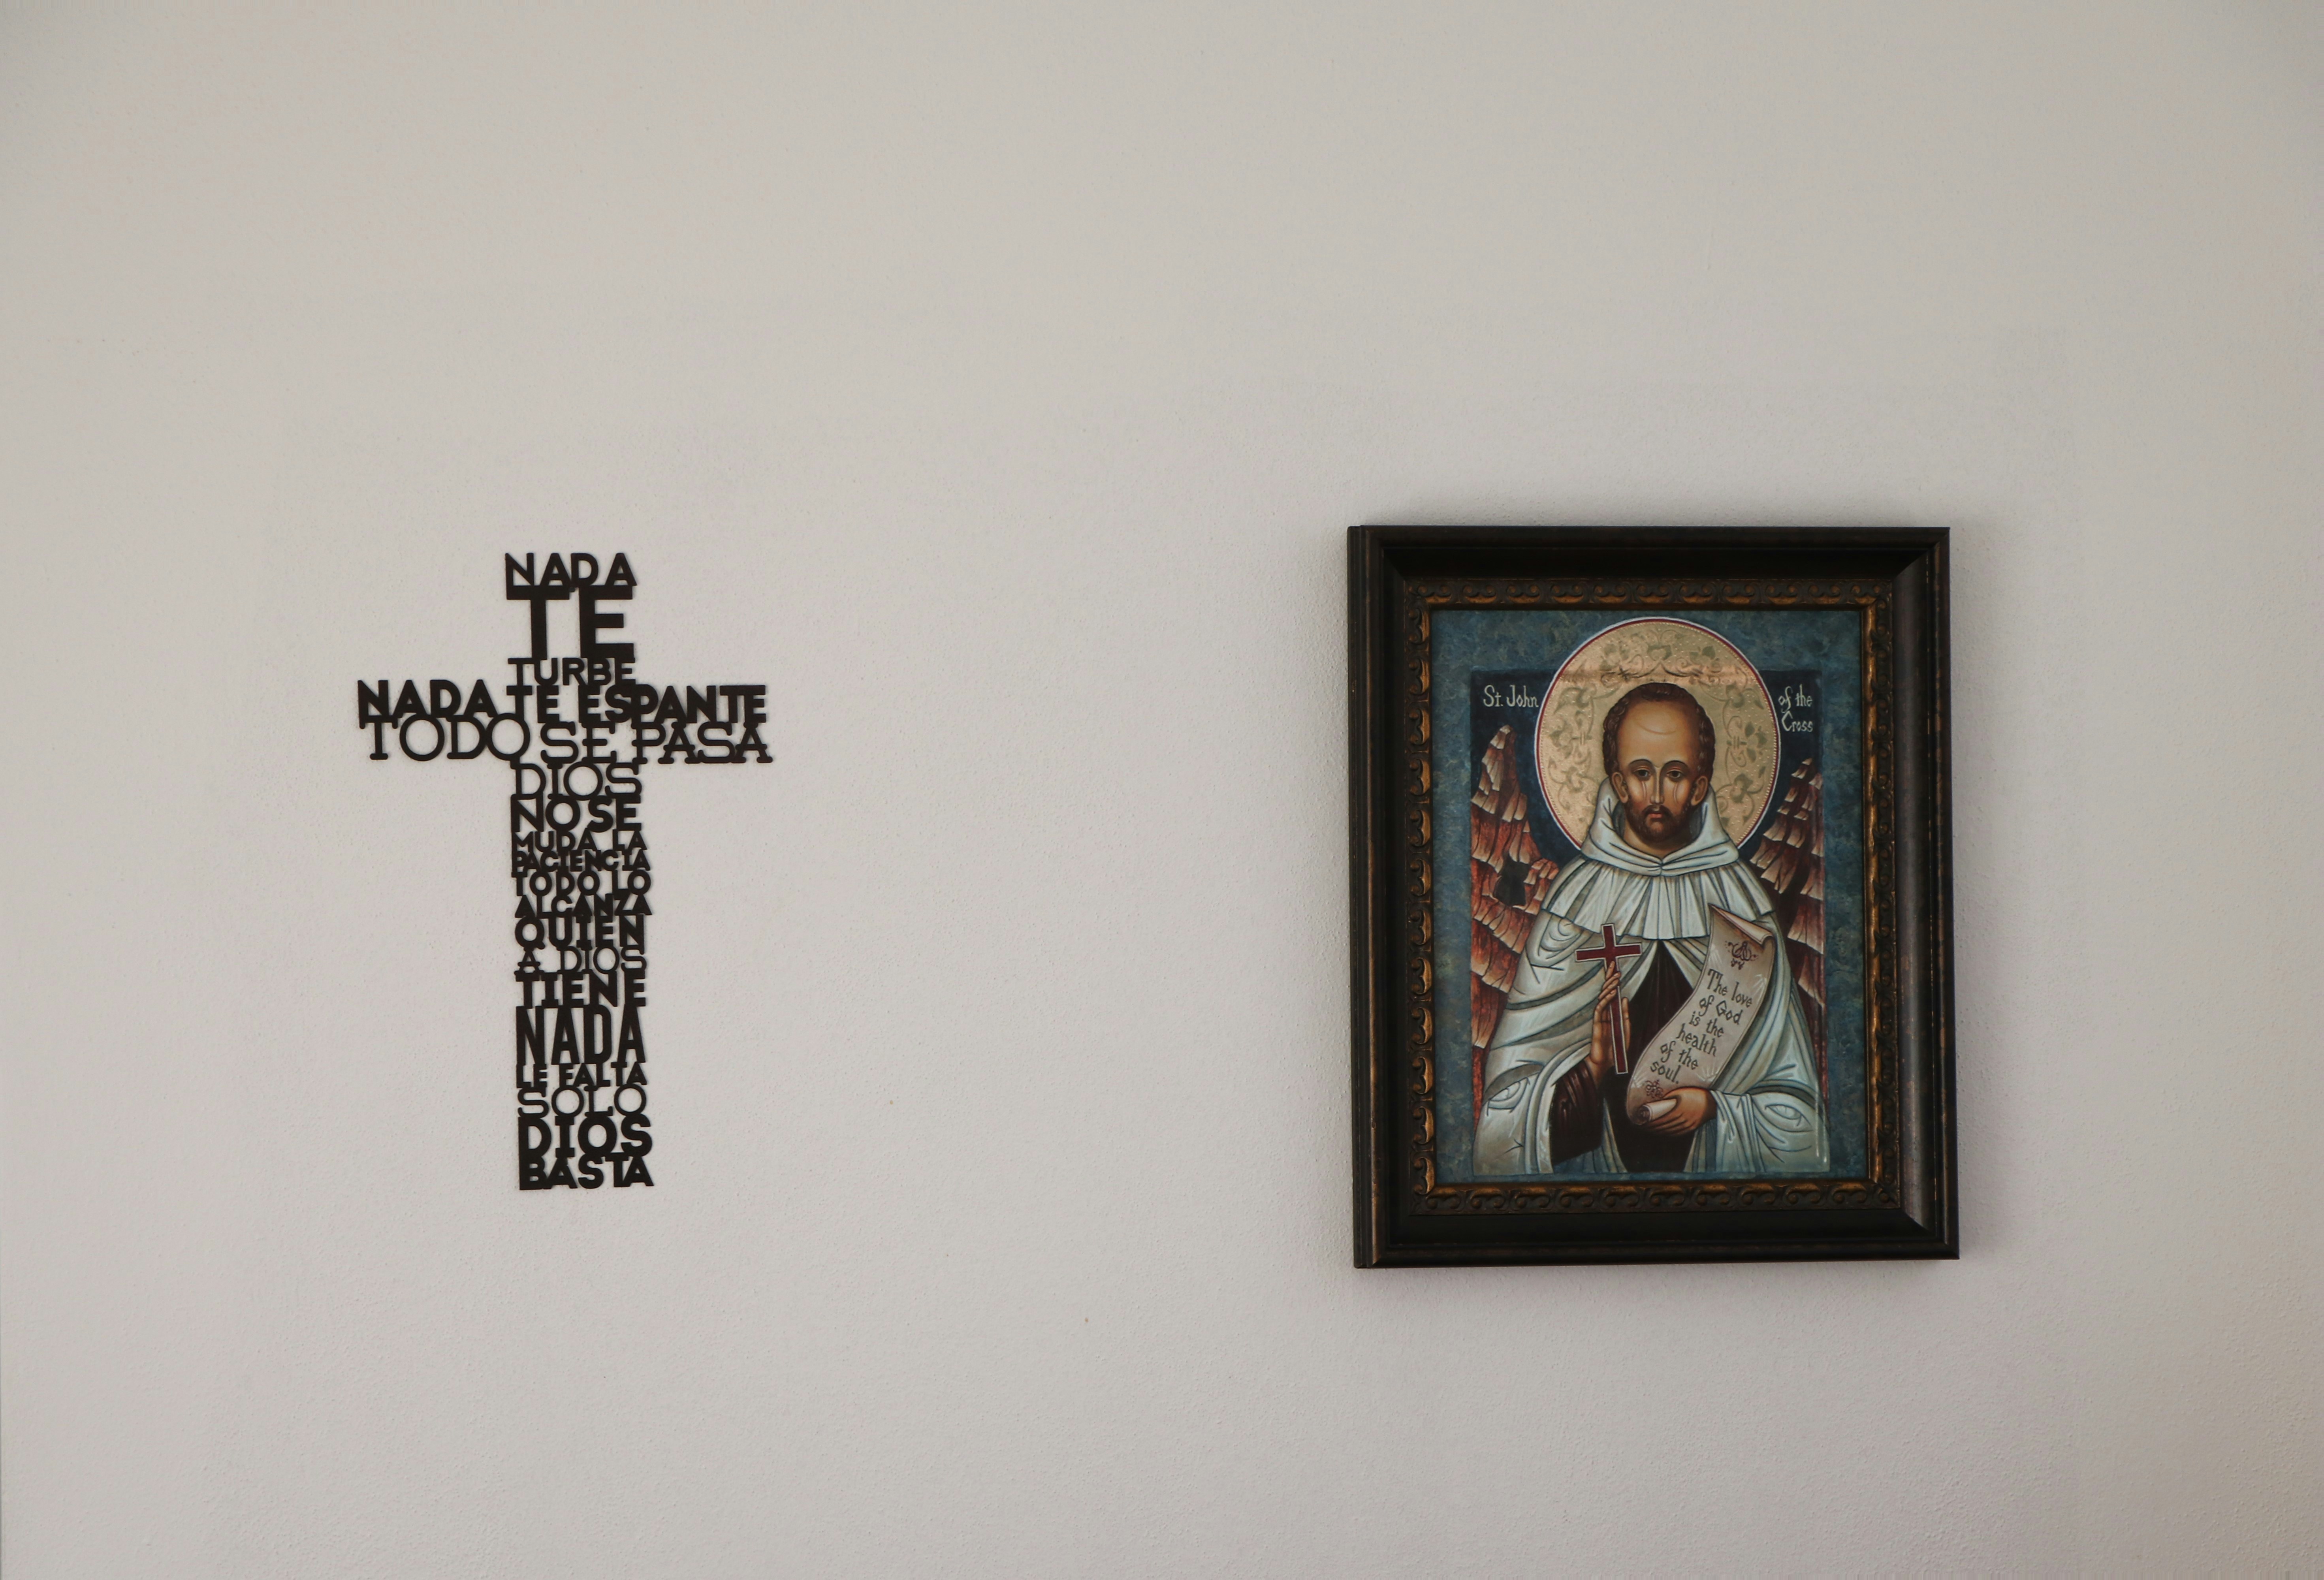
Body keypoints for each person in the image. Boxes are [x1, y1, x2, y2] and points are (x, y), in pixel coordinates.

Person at [1474, 682, 1826, 1176]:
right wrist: (1593, 1068)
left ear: (1701, 787)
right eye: (1641, 774)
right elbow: (1507, 1102)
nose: (1657, 794)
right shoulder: (1577, 899)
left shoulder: (1740, 903)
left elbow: (1795, 1103)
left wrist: (1715, 1110)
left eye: (1675, 774)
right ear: (1618, 783)